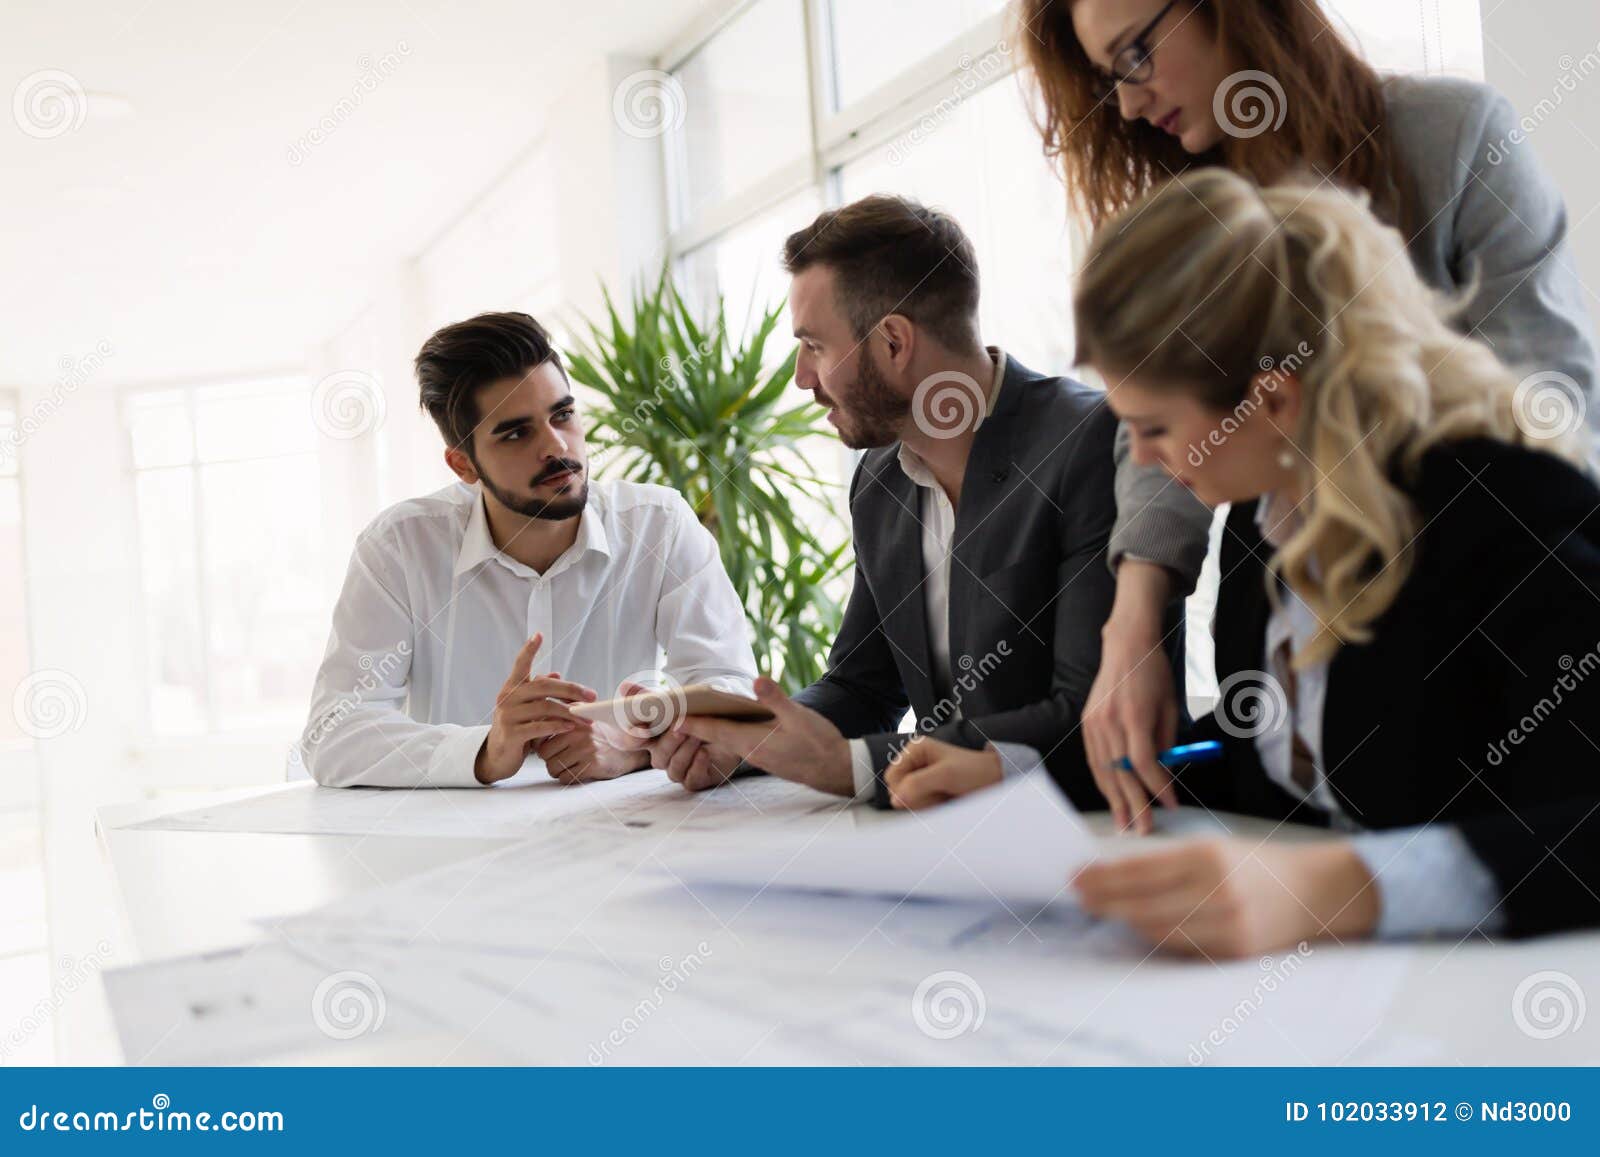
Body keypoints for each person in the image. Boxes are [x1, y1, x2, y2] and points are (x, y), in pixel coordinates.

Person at [901, 167, 1600, 954]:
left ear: (1270, 400)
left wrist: (1331, 890)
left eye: (1155, 428)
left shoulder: (1507, 508)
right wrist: (1014, 773)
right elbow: (1248, 757)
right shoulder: (1262, 521)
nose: (1141, 460)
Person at [1017, 0, 1600, 832]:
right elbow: (1276, 766)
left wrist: (1359, 888)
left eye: (1135, 56)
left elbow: (1550, 409)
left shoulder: (1451, 139)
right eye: (1110, 80)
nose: (1130, 104)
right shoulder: (1272, 543)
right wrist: (1134, 621)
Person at [667, 194, 1153, 808]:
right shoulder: (879, 480)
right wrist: (742, 744)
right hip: (946, 840)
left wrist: (855, 767)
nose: (801, 377)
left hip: (1091, 832)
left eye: (814, 345)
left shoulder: (1088, 441)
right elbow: (860, 687)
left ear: (893, 342)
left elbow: (1085, 715)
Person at [297, 312, 756, 789]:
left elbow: (731, 692)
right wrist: (485, 750)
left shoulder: (658, 525)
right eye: (516, 433)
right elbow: (333, 733)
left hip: (628, 842)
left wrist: (631, 749)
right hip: (461, 847)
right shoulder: (399, 547)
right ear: (464, 464)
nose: (556, 446)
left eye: (562, 415)